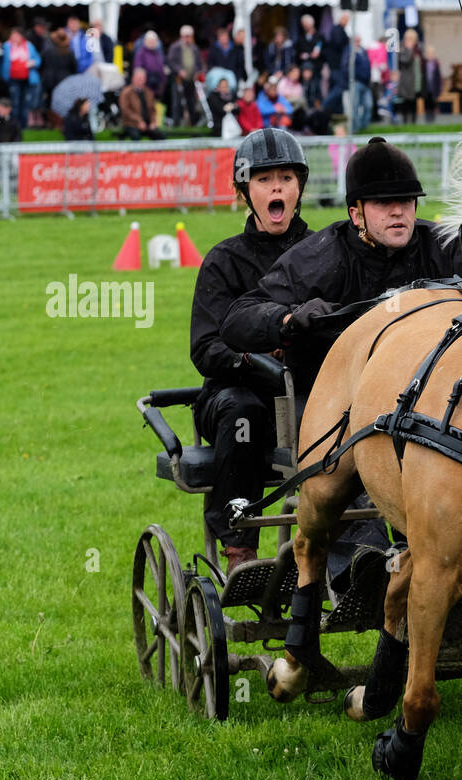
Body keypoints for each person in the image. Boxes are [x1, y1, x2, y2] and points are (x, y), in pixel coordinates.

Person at [221, 138, 462, 672]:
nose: (399, 212)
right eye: (384, 204)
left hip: (427, 407)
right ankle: (361, 572)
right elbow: (239, 317)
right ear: (356, 212)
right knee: (360, 471)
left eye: (407, 201)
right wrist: (288, 320)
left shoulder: (441, 244)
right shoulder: (321, 254)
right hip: (333, 409)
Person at [191, 129, 313, 574]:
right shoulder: (224, 261)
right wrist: (259, 361)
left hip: (310, 393)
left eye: (285, 178)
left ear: (300, 186)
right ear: (245, 191)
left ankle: (361, 545)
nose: (276, 188)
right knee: (243, 412)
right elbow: (205, 349)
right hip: (235, 393)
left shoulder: (323, 251)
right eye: (264, 180)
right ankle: (240, 548)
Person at [0, 27, 40, 130]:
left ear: (21, 36)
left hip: (28, 79)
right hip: (13, 79)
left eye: (17, 35)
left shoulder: (29, 46)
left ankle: (24, 126)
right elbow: (0, 60)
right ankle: (15, 125)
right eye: (13, 35)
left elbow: (38, 59)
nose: (14, 37)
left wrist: (33, 63)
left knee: (26, 103)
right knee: (15, 102)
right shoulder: (6, 46)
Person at [42, 28, 77, 118]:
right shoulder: (69, 52)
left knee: (50, 101)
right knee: (64, 100)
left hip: (50, 80)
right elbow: (74, 68)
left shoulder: (48, 51)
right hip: (64, 79)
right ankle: (62, 119)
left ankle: (51, 121)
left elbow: (42, 64)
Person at [120, 67, 164, 140]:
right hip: (132, 124)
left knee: (161, 136)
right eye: (138, 78)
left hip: (148, 124)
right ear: (133, 78)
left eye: (142, 78)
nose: (140, 81)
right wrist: (139, 121)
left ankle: (156, 151)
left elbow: (153, 110)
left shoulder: (149, 92)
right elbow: (125, 111)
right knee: (136, 137)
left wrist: (153, 122)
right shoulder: (126, 93)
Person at [294, 14, 323, 110]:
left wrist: (317, 55)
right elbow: (297, 51)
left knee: (316, 91)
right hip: (304, 68)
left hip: (316, 69)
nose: (305, 27)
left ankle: (316, 110)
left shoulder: (319, 37)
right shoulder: (301, 38)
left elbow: (324, 52)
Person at [394, 29, 423, 125]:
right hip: (406, 80)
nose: (412, 41)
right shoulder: (402, 48)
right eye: (410, 39)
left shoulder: (418, 49)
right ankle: (405, 122)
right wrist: (409, 50)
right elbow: (404, 61)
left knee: (414, 101)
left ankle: (414, 122)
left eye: (413, 39)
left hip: (416, 79)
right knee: (406, 101)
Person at [133, 31, 167, 100]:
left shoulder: (158, 53)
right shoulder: (141, 52)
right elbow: (138, 68)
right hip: (146, 83)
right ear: (145, 41)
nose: (152, 43)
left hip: (157, 83)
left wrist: (164, 81)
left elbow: (161, 68)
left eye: (154, 41)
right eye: (150, 41)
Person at [422, 44, 443, 122]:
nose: (430, 55)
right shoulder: (424, 63)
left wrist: (439, 88)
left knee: (434, 104)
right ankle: (427, 120)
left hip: (434, 88)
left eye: (432, 53)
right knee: (427, 105)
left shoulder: (436, 64)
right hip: (426, 88)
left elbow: (438, 77)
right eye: (429, 53)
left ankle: (433, 120)